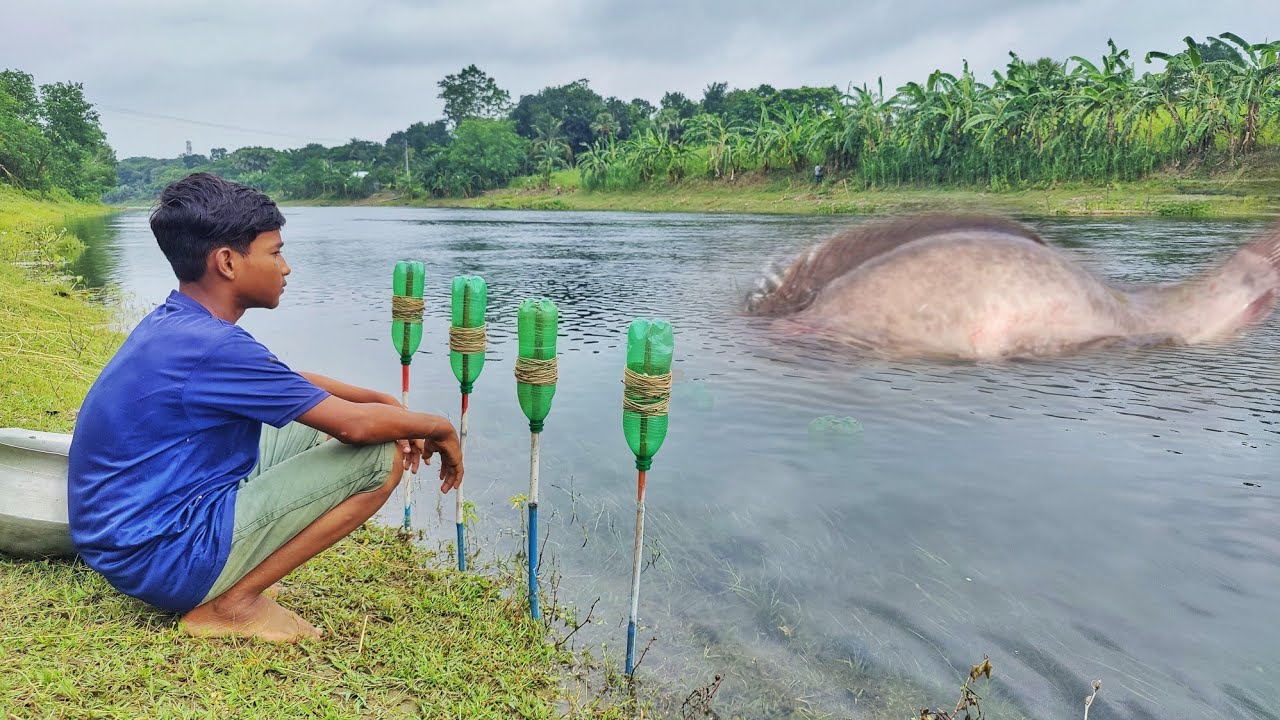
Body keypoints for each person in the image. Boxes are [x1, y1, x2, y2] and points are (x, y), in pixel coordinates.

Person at [67, 172, 463, 643]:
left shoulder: (181, 323)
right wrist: (438, 427)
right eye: (275, 253)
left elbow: (289, 384)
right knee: (379, 454)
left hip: (132, 539)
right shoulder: (213, 345)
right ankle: (232, 605)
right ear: (227, 262)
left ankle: (232, 579)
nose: (286, 268)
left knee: (320, 422)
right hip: (161, 556)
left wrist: (380, 401)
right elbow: (355, 428)